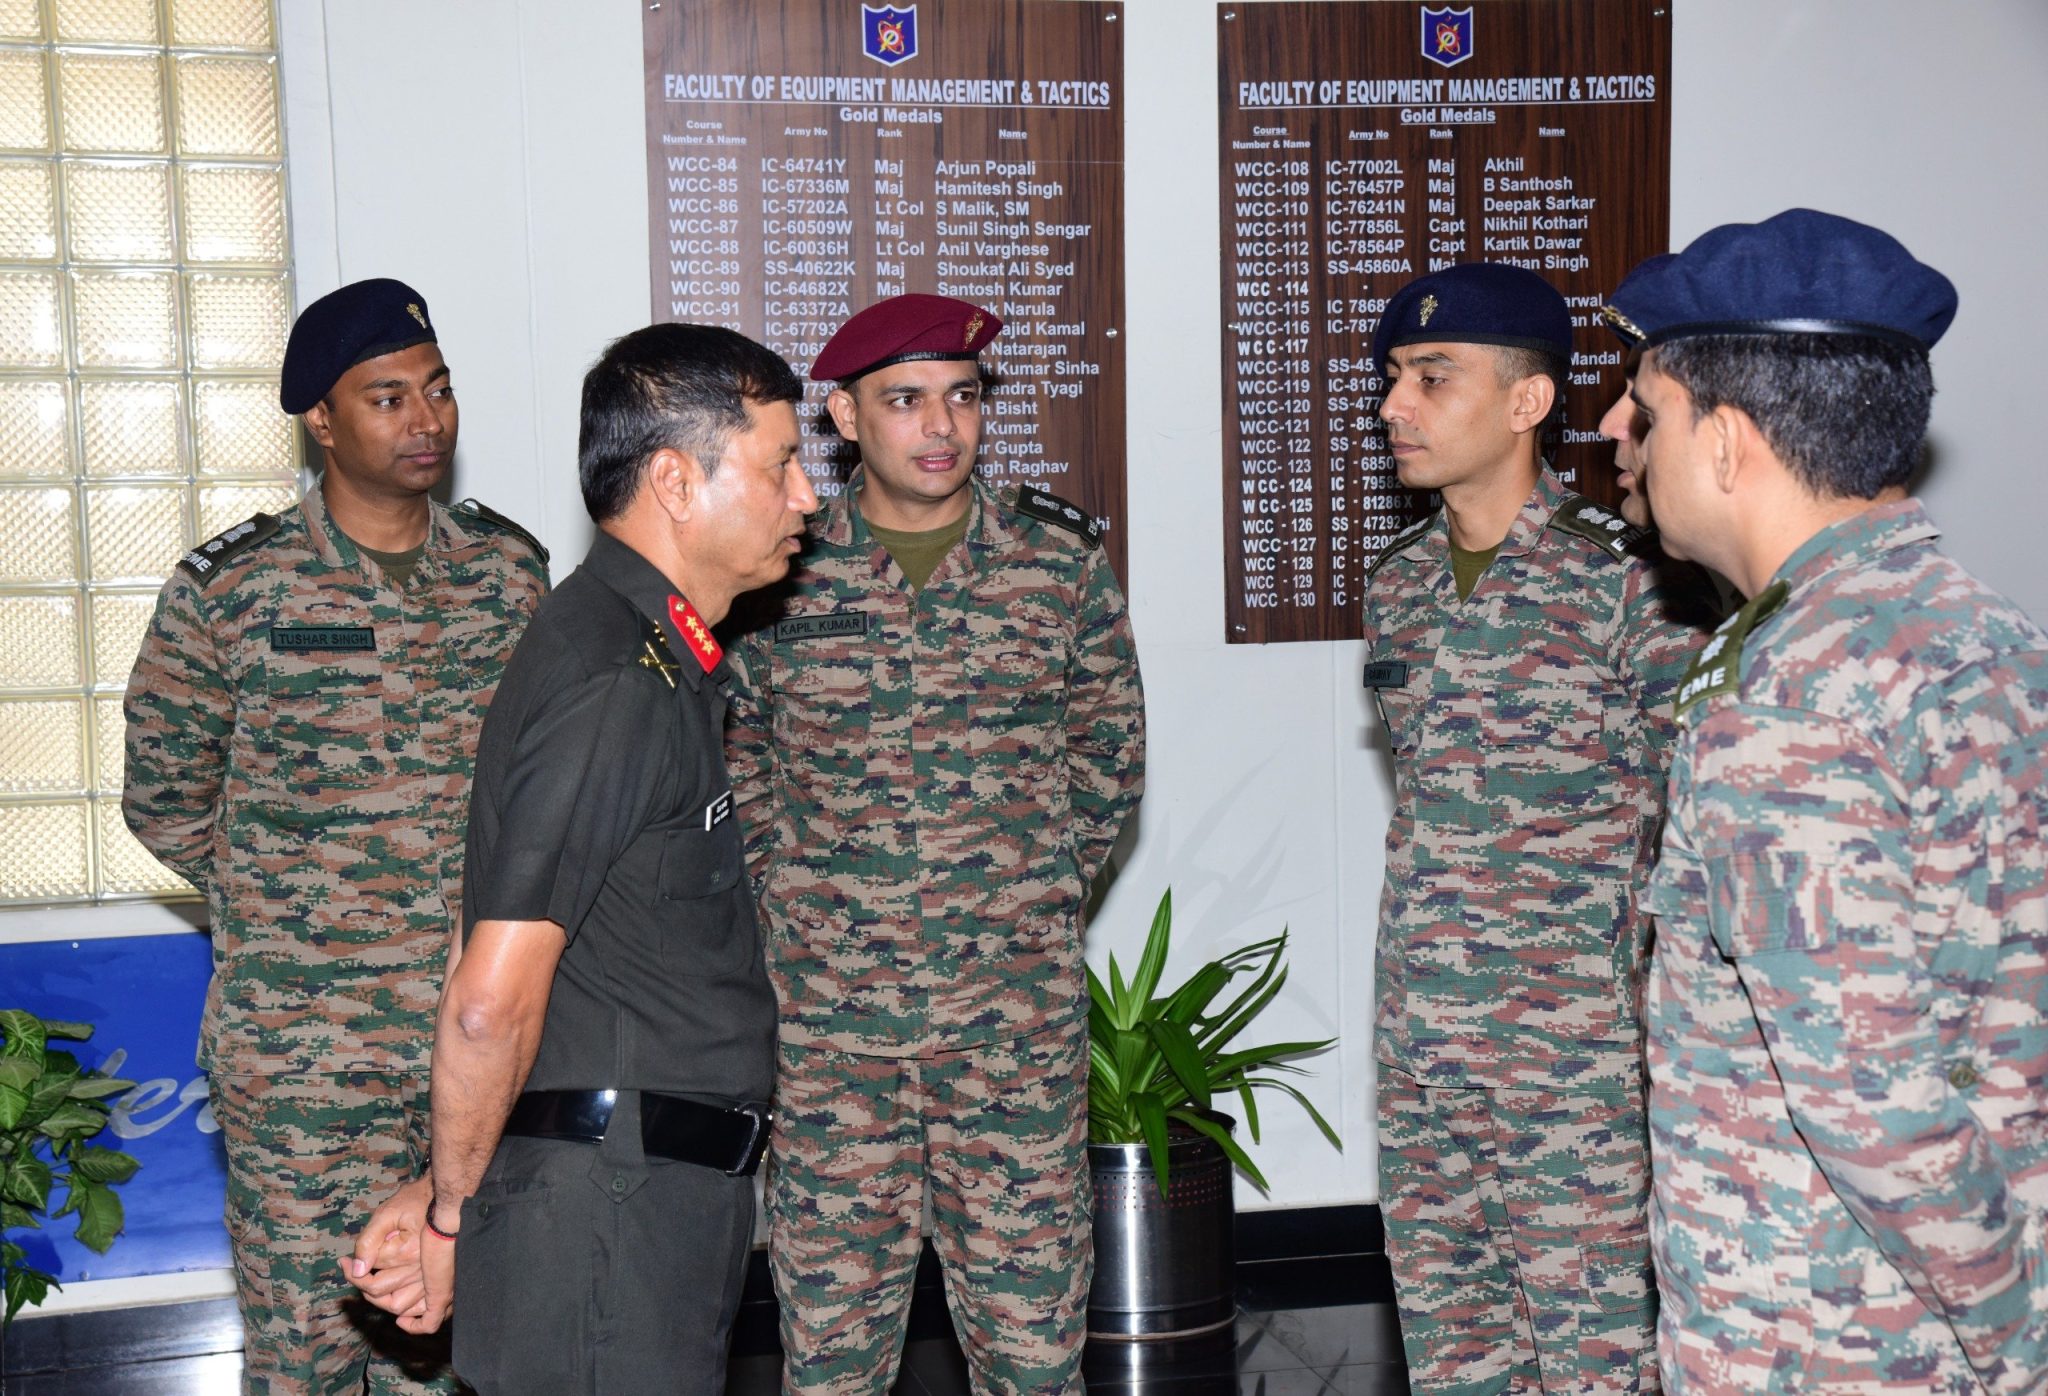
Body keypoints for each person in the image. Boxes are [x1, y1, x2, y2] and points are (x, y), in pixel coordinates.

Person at [1606, 208, 2048, 1393]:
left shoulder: (1790, 694)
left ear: (1725, 442)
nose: (1614, 432)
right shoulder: (1985, 634)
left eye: (1646, 410)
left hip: (1822, 1337)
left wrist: (2019, 1344)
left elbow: (1867, 1097)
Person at [350, 322, 815, 1393]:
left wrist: (450, 1183)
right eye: (781, 464)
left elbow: (516, 934)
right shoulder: (616, 680)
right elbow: (487, 1002)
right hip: (608, 1221)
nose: (805, 498)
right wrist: (453, 1218)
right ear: (675, 481)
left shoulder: (637, 650)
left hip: (624, 1198)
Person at [122, 277, 549, 1394]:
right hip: (305, 1051)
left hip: (474, 1039)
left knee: (448, 1344)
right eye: (387, 397)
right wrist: (296, 902)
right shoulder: (232, 589)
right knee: (307, 1344)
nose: (425, 420)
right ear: (321, 418)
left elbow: (539, 784)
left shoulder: (508, 573)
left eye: (438, 390)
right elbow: (165, 798)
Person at [724, 293, 1145, 1395]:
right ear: (845, 417)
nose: (940, 427)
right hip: (832, 1035)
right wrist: (792, 900)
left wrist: (1030, 893)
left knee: (1032, 1347)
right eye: (905, 400)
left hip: (1011, 1030)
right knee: (831, 1352)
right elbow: (738, 753)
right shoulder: (780, 569)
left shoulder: (1055, 563)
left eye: (961, 397)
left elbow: (1107, 752)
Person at [1362, 262, 1710, 1393]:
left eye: (1431, 376)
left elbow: (1695, 818)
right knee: (1452, 1354)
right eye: (1392, 377)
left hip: (1577, 1068)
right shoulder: (1399, 583)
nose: (1393, 405)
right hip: (1423, 1049)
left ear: (1527, 400)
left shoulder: (1632, 583)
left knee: (1597, 1358)